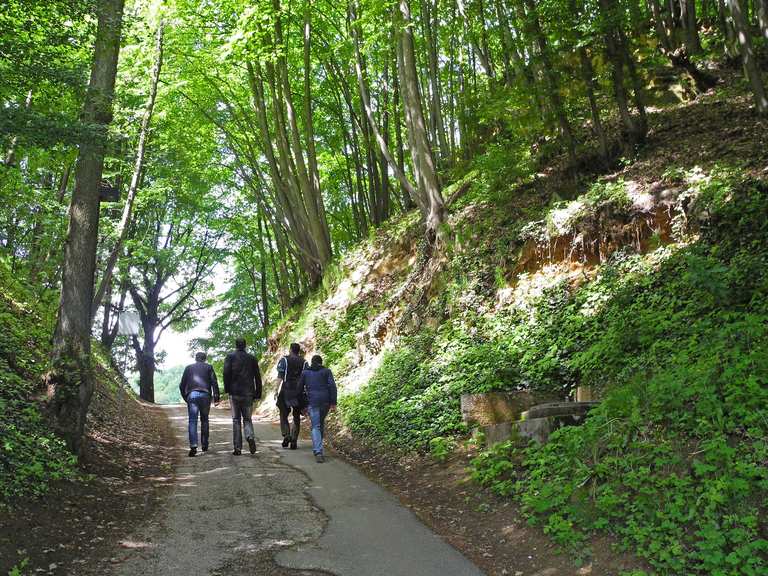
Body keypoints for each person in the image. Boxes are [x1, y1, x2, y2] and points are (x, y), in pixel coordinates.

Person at [223, 338, 262, 455]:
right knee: (247, 419)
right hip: (248, 393)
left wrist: (227, 389)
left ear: (236, 345)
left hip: (234, 393)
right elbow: (257, 377)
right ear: (245, 345)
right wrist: (258, 393)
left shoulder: (230, 357)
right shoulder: (252, 358)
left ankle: (237, 448)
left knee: (236, 420)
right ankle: (249, 436)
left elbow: (226, 373)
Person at [179, 352, 220, 457]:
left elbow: (182, 385)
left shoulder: (188, 368)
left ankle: (193, 446)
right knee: (205, 420)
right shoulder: (209, 367)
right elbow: (214, 382)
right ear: (205, 359)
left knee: (192, 421)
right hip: (206, 395)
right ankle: (205, 445)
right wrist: (216, 398)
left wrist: (186, 397)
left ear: (195, 358)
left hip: (192, 395)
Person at [299, 355, 337, 463]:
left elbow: (300, 389)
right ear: (321, 362)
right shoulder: (327, 371)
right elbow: (332, 386)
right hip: (325, 401)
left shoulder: (305, 373)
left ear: (312, 362)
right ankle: (319, 448)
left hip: (312, 401)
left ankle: (318, 451)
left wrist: (302, 405)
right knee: (320, 423)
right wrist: (333, 402)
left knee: (316, 425)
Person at [275, 343, 308, 449]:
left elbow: (280, 376)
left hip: (286, 390)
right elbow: (306, 378)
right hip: (299, 392)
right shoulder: (304, 362)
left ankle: (286, 434)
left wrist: (276, 389)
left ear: (290, 350)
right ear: (299, 351)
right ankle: (294, 440)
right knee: (296, 416)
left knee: (283, 413)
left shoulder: (284, 360)